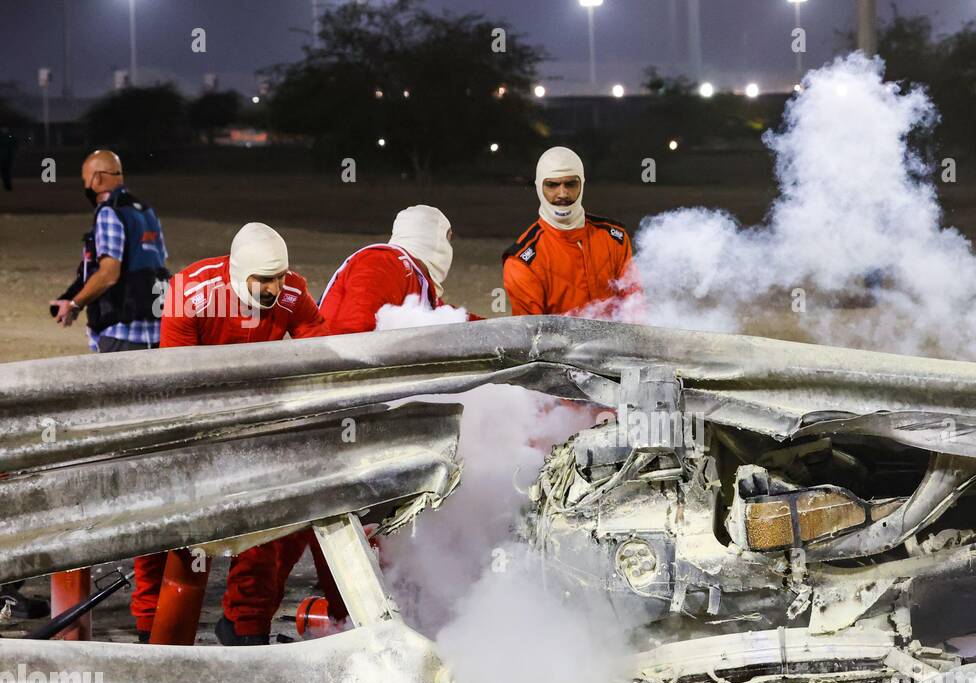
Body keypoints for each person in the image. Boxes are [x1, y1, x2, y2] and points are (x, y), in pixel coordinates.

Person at [132, 223, 339, 646]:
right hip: (191, 418)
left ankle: (245, 627)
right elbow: (177, 383)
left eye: (280, 277)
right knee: (166, 524)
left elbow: (322, 359)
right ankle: (151, 625)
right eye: (264, 280)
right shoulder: (189, 292)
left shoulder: (294, 291)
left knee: (262, 526)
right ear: (237, 271)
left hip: (253, 422)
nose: (274, 288)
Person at [50, 149, 168, 352]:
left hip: (122, 334)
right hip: (158, 331)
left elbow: (108, 274)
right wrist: (70, 295)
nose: (86, 187)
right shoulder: (147, 211)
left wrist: (74, 305)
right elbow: (155, 265)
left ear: (96, 179)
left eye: (85, 180)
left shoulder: (109, 212)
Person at [502, 146, 636, 317]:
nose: (563, 193)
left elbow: (634, 304)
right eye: (552, 185)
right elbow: (531, 335)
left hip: (618, 343)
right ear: (538, 187)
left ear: (582, 184)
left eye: (570, 184)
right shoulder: (522, 262)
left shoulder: (615, 238)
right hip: (559, 345)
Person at [319, 205, 473, 333]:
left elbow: (445, 317)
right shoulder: (383, 261)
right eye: (447, 239)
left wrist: (494, 328)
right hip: (333, 364)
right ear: (433, 238)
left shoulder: (414, 276)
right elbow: (354, 328)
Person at [0, 126, 17, 192]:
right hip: (4, 157)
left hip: (8, 157)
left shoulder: (10, 137)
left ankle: (8, 185)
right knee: (4, 172)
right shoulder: (6, 137)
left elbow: (15, 143)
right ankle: (7, 185)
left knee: (7, 172)